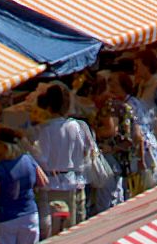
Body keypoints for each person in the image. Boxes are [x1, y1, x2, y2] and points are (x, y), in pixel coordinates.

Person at [29, 85, 103, 227]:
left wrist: (29, 148)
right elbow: (88, 151)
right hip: (77, 183)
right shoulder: (79, 126)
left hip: (55, 187)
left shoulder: (45, 130)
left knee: (56, 230)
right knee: (76, 228)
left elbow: (42, 158)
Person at [0, 122, 45, 244]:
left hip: (5, 219)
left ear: (4, 147)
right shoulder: (28, 159)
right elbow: (43, 181)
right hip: (29, 214)